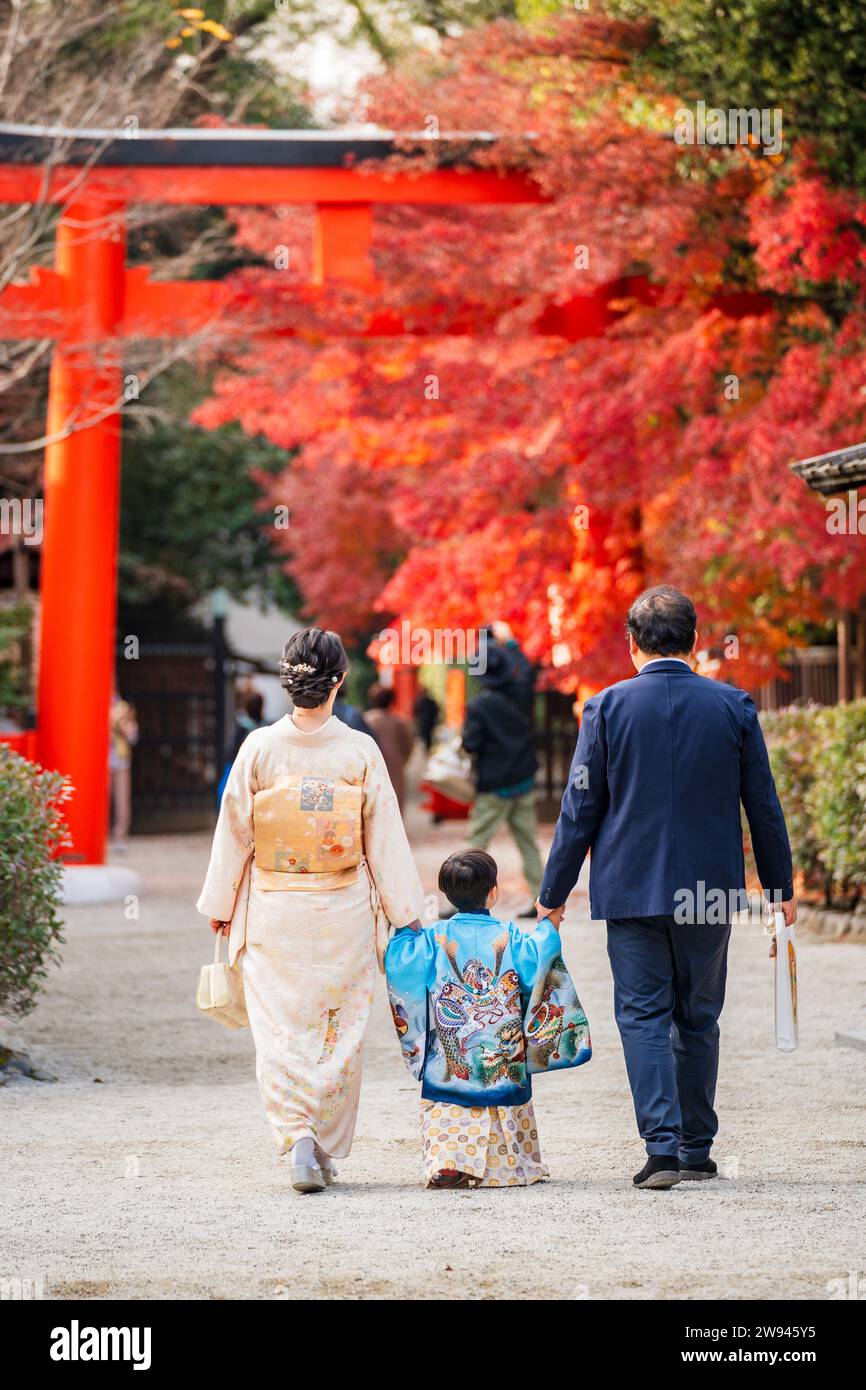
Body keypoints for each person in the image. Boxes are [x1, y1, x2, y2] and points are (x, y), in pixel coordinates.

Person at [538, 585, 796, 1191]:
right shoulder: (733, 707)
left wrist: (553, 894)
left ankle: (660, 1149)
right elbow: (763, 805)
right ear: (696, 641)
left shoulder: (605, 709)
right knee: (699, 1015)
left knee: (642, 1014)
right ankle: (696, 1146)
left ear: (632, 645)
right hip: (710, 888)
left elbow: (580, 809)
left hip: (631, 886)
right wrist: (781, 888)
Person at [197, 627, 425, 1194]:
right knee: (338, 1030)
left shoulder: (259, 749)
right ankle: (320, 1141)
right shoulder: (358, 749)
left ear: (287, 680)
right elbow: (384, 837)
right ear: (339, 681)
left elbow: (235, 831)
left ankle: (297, 1136)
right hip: (341, 908)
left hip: (275, 907)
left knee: (278, 1031)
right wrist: (407, 912)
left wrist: (221, 902)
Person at [386, 849, 591, 1189]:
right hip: (503, 1054)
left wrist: (406, 927)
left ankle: (449, 1163)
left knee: (449, 1098)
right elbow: (540, 956)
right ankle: (506, 1166)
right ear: (493, 892)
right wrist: (549, 923)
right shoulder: (511, 937)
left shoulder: (433, 939)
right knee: (500, 1090)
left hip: (449, 1062)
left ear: (445, 894)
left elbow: (400, 959)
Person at [462, 622, 542, 917]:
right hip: (522, 780)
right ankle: (540, 900)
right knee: (528, 845)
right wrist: (510, 643)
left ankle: (465, 900)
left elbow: (471, 743)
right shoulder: (522, 695)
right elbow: (527, 669)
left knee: (476, 843)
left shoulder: (479, 706)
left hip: (494, 785)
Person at [363, 683, 415, 810]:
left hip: (370, 768)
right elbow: (408, 746)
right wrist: (402, 761)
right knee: (393, 806)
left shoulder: (365, 720)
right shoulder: (399, 722)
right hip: (394, 767)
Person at [217, 690, 268, 803]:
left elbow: (231, 750)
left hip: (237, 763)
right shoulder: (266, 726)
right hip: (258, 768)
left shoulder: (240, 725)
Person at [108, 691, 138, 851]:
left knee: (122, 799)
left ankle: (120, 835)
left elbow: (133, 736)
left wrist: (126, 728)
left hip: (120, 759)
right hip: (103, 760)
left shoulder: (123, 707)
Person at [413, 685, 440, 751]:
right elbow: (436, 710)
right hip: (429, 722)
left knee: (421, 737)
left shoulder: (418, 701)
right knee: (428, 736)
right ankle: (427, 748)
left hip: (421, 722)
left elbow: (415, 712)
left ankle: (423, 749)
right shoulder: (431, 701)